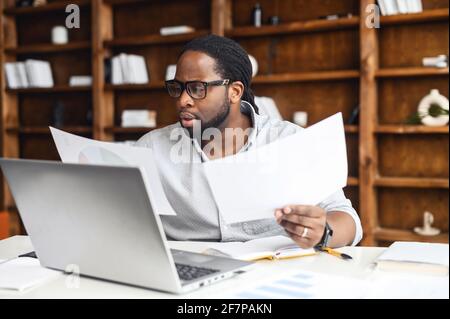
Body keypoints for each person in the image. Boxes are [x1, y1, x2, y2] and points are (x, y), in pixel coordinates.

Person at [136, 34, 362, 249]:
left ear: (234, 92)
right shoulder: (150, 150)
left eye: (197, 89)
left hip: (271, 273)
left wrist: (323, 232)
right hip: (188, 278)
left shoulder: (288, 141)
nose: (183, 100)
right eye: (178, 88)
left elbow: (348, 221)